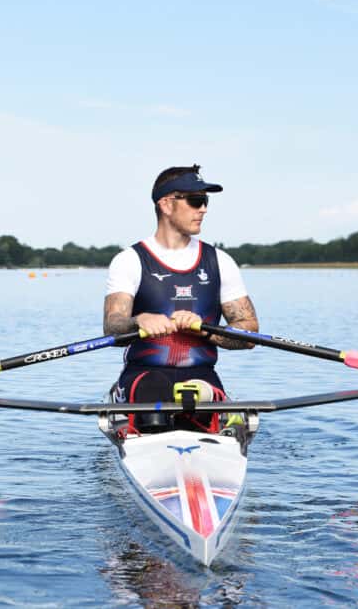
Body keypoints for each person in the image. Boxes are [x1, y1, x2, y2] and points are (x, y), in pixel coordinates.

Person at [103, 165, 258, 430]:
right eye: (196, 200)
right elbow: (112, 325)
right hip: (143, 376)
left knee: (198, 395)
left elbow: (250, 333)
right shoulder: (129, 260)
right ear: (166, 204)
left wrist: (205, 331)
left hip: (202, 378)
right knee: (154, 392)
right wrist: (139, 320)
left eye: (205, 201)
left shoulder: (220, 261)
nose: (204, 209)